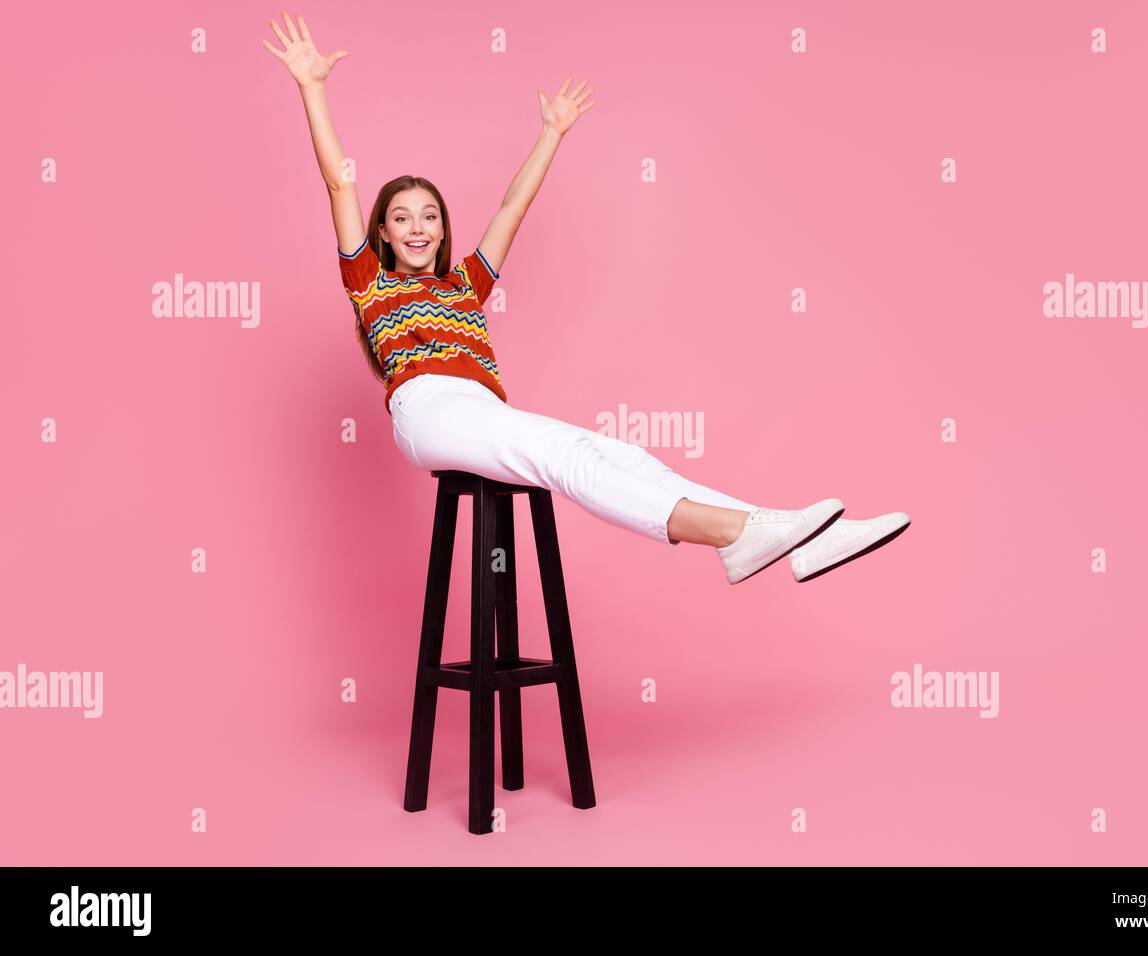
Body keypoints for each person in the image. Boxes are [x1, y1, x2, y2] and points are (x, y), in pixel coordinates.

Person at [262, 11, 909, 585]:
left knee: (620, 452)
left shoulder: (464, 286)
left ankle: (787, 535)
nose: (417, 227)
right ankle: (736, 533)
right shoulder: (370, 282)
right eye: (401, 217)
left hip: (480, 406)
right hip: (428, 409)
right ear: (382, 232)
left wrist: (552, 132)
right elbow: (340, 187)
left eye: (429, 215)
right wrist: (313, 88)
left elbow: (513, 208)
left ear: (441, 226)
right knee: (566, 457)